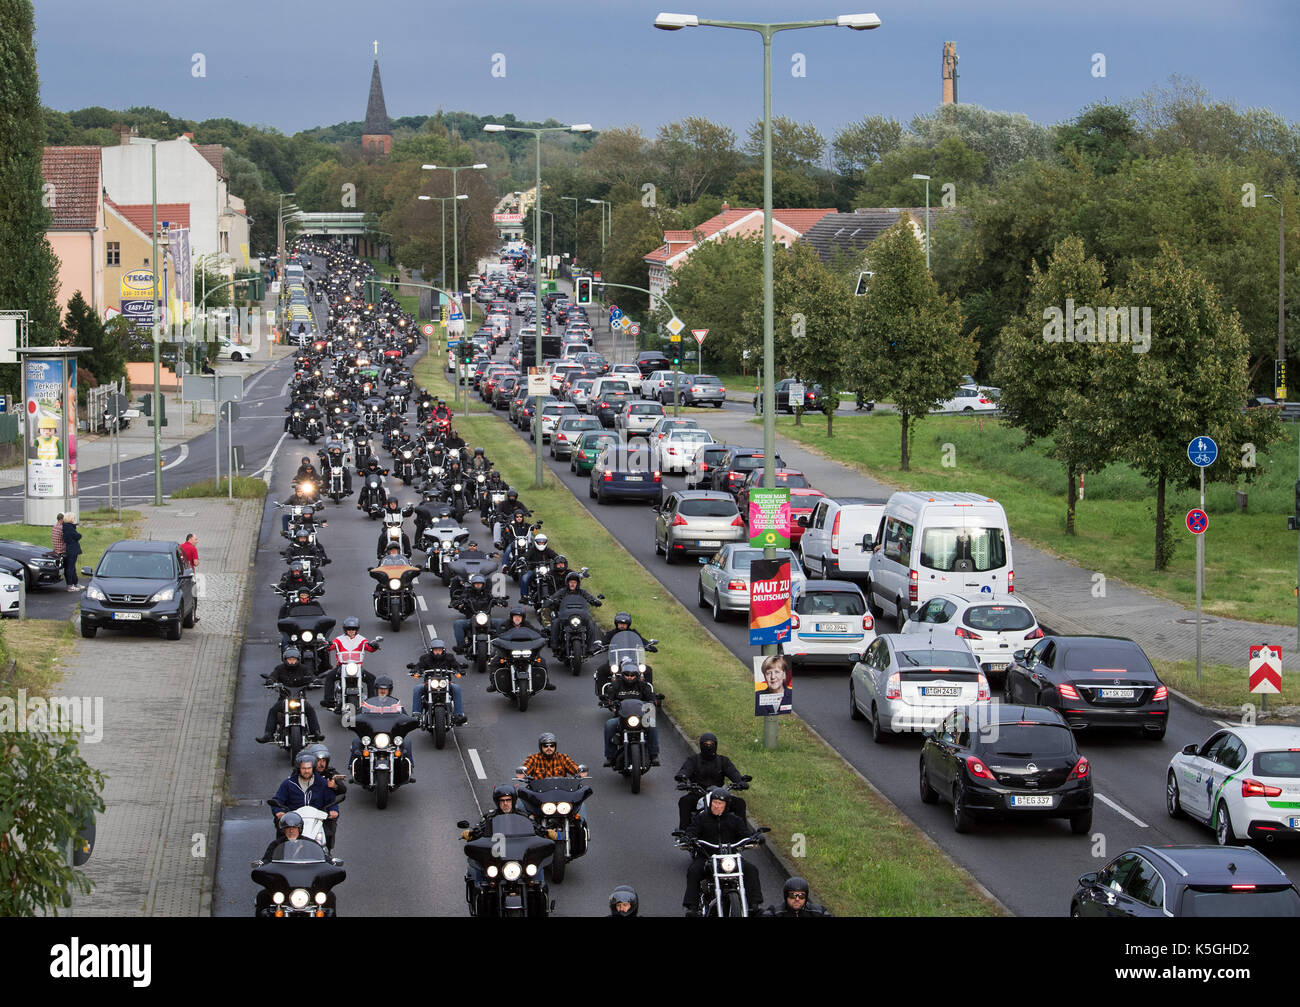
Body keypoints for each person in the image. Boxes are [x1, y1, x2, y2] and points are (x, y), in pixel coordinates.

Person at [682, 788, 763, 915]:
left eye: (720, 803)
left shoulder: (734, 820)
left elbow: (744, 834)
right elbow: (692, 831)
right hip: (707, 856)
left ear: (726, 805)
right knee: (693, 870)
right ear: (710, 803)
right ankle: (691, 907)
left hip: (730, 857)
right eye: (714, 802)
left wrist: (754, 838)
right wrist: (688, 838)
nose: (716, 806)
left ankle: (754, 906)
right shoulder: (701, 818)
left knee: (751, 870)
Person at [459, 783, 555, 889]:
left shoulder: (523, 816)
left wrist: (546, 832)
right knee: (479, 874)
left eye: (508, 800)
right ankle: (478, 898)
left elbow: (535, 827)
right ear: (497, 802)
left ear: (513, 801)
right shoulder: (490, 818)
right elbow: (479, 829)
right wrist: (470, 833)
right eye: (502, 801)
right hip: (497, 856)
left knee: (537, 872)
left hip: (519, 855)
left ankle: (541, 898)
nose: (505, 804)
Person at [676, 733, 748, 830]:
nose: (708, 747)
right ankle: (685, 833)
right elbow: (685, 770)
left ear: (716, 745)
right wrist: (682, 777)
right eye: (706, 744)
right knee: (684, 801)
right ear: (701, 745)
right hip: (698, 794)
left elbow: (733, 772)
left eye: (711, 744)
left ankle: (744, 834)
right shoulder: (693, 760)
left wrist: (740, 782)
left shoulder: (723, 761)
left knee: (740, 803)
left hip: (719, 794)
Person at [347, 676, 414, 777]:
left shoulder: (396, 703)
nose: (382, 691)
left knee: (407, 743)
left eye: (385, 689)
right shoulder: (367, 703)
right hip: (372, 736)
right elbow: (358, 716)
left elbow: (405, 717)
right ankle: (352, 767)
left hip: (390, 737)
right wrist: (351, 721)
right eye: (380, 689)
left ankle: (410, 768)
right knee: (356, 742)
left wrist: (412, 721)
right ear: (376, 689)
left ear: (389, 690)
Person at [255, 648, 323, 744]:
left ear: (298, 659)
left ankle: (316, 732)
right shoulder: (280, 668)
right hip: (284, 699)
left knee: (310, 710)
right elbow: (273, 676)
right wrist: (270, 681)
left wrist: (315, 681)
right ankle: (268, 734)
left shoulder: (304, 668)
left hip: (300, 699)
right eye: (289, 659)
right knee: (273, 710)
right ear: (285, 659)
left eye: (293, 659)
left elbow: (311, 676)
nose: (291, 662)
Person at [603, 661, 660, 766]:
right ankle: (610, 756)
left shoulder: (641, 684)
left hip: (641, 716)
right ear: (622, 674)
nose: (630, 677)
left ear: (636, 675)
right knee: (609, 724)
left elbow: (651, 696)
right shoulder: (617, 684)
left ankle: (654, 754)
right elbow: (609, 697)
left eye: (633, 675)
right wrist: (609, 703)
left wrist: (655, 700)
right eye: (627, 675)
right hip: (622, 717)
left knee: (652, 723)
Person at [269, 751, 341, 830]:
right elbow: (277, 800)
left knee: (330, 829)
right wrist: (278, 812)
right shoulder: (288, 784)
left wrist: (334, 810)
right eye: (303, 768)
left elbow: (331, 801)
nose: (306, 771)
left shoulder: (323, 783)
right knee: (282, 834)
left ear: (313, 768)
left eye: (309, 768)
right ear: (299, 768)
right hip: (294, 822)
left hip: (317, 822)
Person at [320, 618, 380, 710]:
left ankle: (371, 702)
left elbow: (369, 648)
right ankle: (329, 701)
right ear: (345, 630)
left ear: (357, 630)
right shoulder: (339, 639)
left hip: (357, 667)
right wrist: (327, 644)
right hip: (342, 666)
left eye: (353, 629)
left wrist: (374, 645)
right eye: (349, 629)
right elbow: (331, 646)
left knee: (372, 679)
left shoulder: (362, 640)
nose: (351, 631)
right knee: (329, 677)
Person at [408, 637, 468, 725]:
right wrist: (415, 670)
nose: (437, 652)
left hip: (446, 683)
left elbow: (456, 665)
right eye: (435, 650)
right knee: (417, 689)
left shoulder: (449, 657)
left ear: (443, 650)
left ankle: (458, 715)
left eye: (439, 650)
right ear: (431, 651)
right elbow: (419, 665)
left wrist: (460, 669)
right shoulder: (425, 658)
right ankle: (416, 715)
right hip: (429, 683)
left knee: (456, 688)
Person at [545, 571, 602, 658]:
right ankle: (555, 646)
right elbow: (553, 597)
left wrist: (595, 601)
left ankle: (591, 647)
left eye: (574, 582)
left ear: (577, 583)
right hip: (565, 616)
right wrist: (551, 600)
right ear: (567, 583)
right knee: (556, 622)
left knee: (591, 623)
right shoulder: (562, 592)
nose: (572, 584)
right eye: (571, 582)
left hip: (581, 616)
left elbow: (590, 598)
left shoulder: (582, 592)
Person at [306, 743, 347, 851]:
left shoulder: (330, 774)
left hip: (324, 812)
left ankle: (326, 854)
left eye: (323, 761)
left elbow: (342, 791)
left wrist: (335, 786)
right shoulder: (301, 774)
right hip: (305, 812)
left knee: (328, 834)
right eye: (318, 761)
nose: (321, 764)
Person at [451, 573, 503, 652]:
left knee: (500, 622)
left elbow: (494, 598)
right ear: (473, 585)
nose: (478, 586)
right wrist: (459, 603)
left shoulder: (487, 594)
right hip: (471, 619)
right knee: (457, 623)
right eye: (476, 584)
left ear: (483, 585)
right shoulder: (467, 592)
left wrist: (499, 602)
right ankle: (461, 646)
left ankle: (502, 644)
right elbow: (460, 599)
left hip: (487, 619)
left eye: (480, 584)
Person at [517, 733, 589, 780]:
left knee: (581, 803)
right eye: (545, 746)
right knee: (523, 803)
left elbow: (573, 766)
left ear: (555, 746)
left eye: (552, 745)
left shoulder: (563, 758)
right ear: (541, 747)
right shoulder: (533, 758)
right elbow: (526, 767)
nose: (549, 748)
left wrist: (580, 771)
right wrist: (522, 773)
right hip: (539, 794)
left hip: (561, 793)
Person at [517, 531, 558, 604]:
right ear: (536, 542)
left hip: (546, 570)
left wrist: (559, 559)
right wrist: (523, 558)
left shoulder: (548, 550)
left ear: (545, 543)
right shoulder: (532, 550)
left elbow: (556, 556)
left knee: (555, 579)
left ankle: (557, 596)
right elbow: (526, 555)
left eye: (543, 542)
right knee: (525, 578)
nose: (541, 544)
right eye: (539, 542)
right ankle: (524, 596)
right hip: (533, 570)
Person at [761, 877, 832, 917]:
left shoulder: (819, 911)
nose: (797, 899)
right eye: (792, 895)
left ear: (806, 897)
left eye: (801, 896)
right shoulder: (774, 912)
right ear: (786, 896)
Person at [61, 513, 83, 591]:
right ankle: (70, 585)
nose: (74, 519)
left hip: (71, 548)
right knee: (70, 568)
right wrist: (79, 535)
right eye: (73, 518)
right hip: (72, 549)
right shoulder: (69, 528)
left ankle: (75, 583)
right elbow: (78, 536)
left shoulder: (66, 527)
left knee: (72, 567)